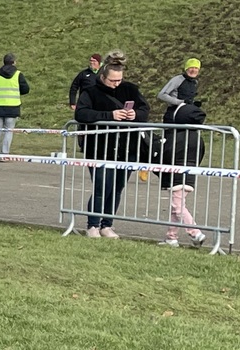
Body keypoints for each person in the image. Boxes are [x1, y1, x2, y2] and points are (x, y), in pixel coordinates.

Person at [75, 50, 148, 239]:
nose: (116, 84)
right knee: (101, 187)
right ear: (103, 76)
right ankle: (92, 224)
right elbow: (81, 114)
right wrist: (110, 116)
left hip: (126, 149)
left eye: (119, 80)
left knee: (117, 188)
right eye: (112, 81)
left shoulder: (131, 89)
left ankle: (107, 224)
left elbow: (144, 110)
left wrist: (135, 115)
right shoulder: (90, 91)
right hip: (99, 149)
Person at [158, 100, 209, 247]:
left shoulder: (176, 135)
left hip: (176, 173)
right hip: (191, 173)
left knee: (177, 206)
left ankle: (195, 232)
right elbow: (201, 153)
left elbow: (167, 153)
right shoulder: (197, 136)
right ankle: (171, 237)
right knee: (177, 206)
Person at [0, 53, 29, 158]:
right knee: (9, 131)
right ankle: (4, 153)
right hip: (12, 107)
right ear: (14, 62)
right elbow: (26, 89)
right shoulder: (18, 74)